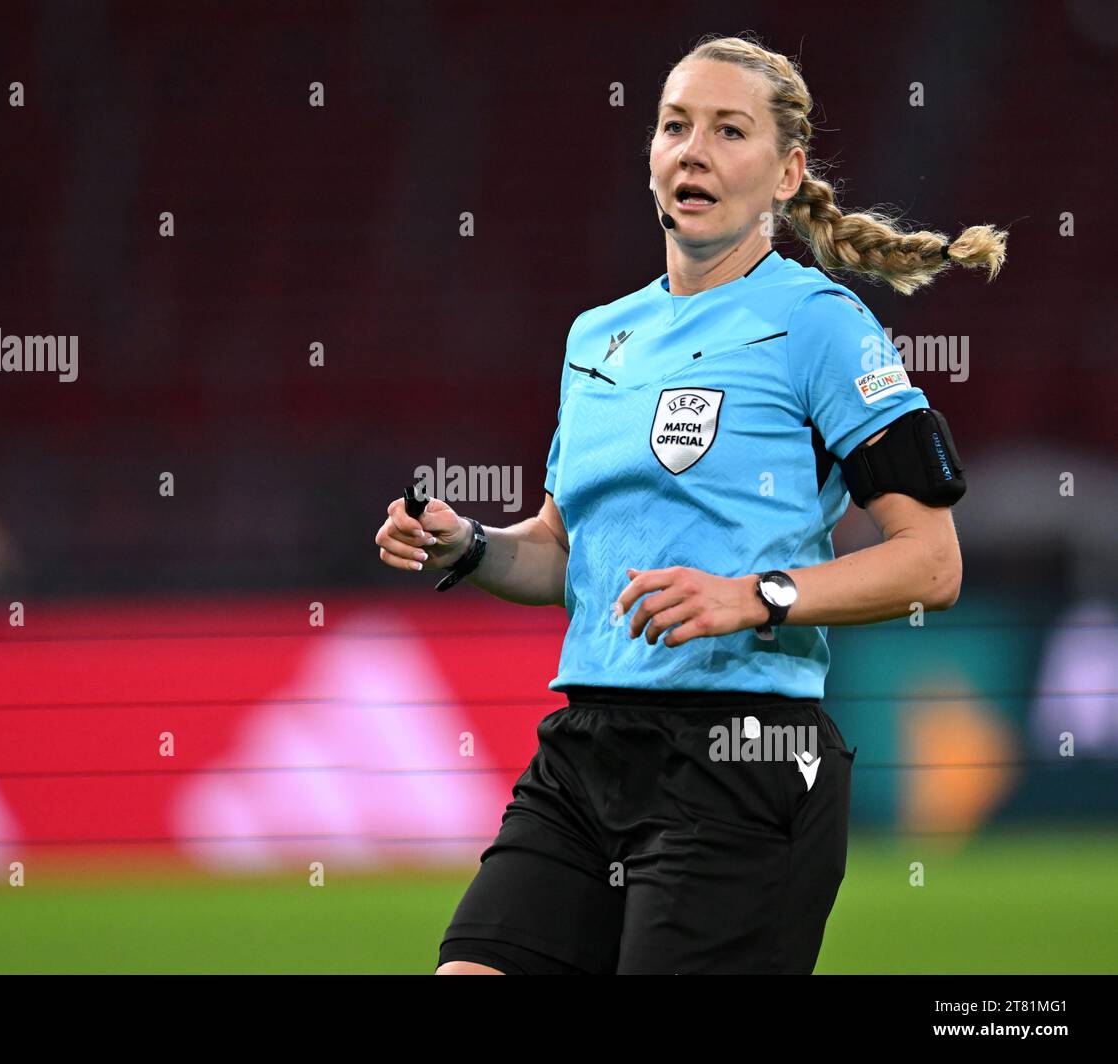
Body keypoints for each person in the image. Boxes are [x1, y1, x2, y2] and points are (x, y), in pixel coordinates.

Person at [373, 33, 1005, 975]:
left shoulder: (822, 323)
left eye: (728, 129)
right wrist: (469, 546)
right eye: (675, 125)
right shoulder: (599, 335)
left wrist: (756, 596)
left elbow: (932, 562)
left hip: (745, 754)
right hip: (587, 751)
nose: (693, 150)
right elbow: (564, 554)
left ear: (788, 172)